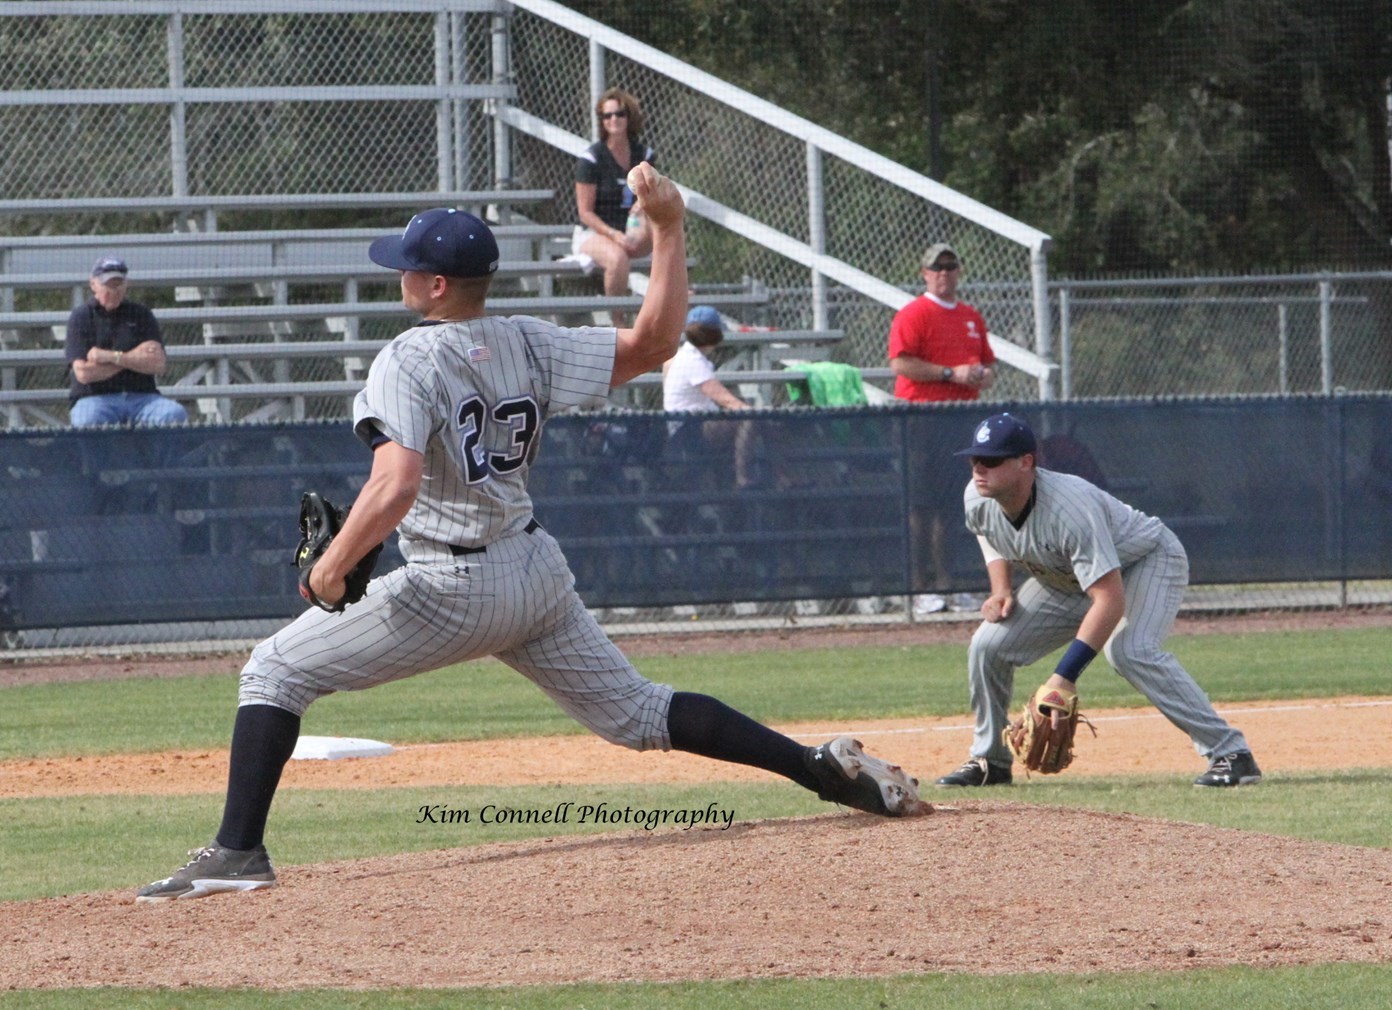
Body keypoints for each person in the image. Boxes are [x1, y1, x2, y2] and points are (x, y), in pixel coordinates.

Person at [136, 168, 913, 903]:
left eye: (407, 267)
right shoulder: (528, 339)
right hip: (534, 571)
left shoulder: (406, 357)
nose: (397, 276)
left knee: (273, 671)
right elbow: (653, 342)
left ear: (435, 285)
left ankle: (238, 852)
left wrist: (330, 570)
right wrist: (670, 230)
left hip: (451, 585)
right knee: (641, 713)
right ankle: (815, 769)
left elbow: (395, 483)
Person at [935, 412, 1261, 789]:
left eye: (991, 460)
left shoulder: (1070, 507)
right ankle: (990, 760)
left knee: (1129, 650)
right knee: (986, 646)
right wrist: (1001, 589)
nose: (979, 468)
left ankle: (1231, 753)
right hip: (1063, 581)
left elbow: (1108, 600)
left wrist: (1063, 678)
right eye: (975, 458)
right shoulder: (977, 495)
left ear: (1026, 462)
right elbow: (988, 534)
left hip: (1142, 562)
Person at [888, 242, 997, 615]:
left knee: (955, 505)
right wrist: (950, 373)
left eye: (951, 266)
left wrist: (980, 376)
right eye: (938, 267)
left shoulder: (970, 316)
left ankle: (948, 585)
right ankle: (920, 588)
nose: (944, 273)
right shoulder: (914, 314)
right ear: (925, 273)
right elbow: (901, 365)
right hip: (923, 417)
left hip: (959, 418)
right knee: (921, 504)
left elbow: (988, 366)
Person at [65, 257, 188, 428]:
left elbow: (158, 364)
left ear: (126, 285)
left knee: (173, 413)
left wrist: (109, 357)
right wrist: (134, 359)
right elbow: (84, 374)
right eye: (108, 285)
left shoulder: (141, 313)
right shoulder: (81, 317)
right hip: (95, 398)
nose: (114, 291)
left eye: (118, 285)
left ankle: (157, 456)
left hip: (143, 397)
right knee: (88, 419)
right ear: (93, 285)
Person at [571, 88, 656, 325]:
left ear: (629, 117)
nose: (613, 120)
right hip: (596, 233)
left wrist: (643, 202)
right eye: (606, 116)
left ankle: (664, 311)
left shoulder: (644, 155)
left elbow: (653, 193)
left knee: (665, 235)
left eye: (619, 114)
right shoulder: (592, 159)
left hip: (632, 227)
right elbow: (585, 213)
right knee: (618, 258)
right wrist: (614, 235)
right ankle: (619, 323)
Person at [662, 305, 763, 489]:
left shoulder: (679, 357)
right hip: (691, 430)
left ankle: (782, 476)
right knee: (750, 418)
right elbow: (725, 399)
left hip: (686, 427)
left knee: (765, 424)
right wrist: (751, 411)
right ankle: (742, 477)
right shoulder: (693, 361)